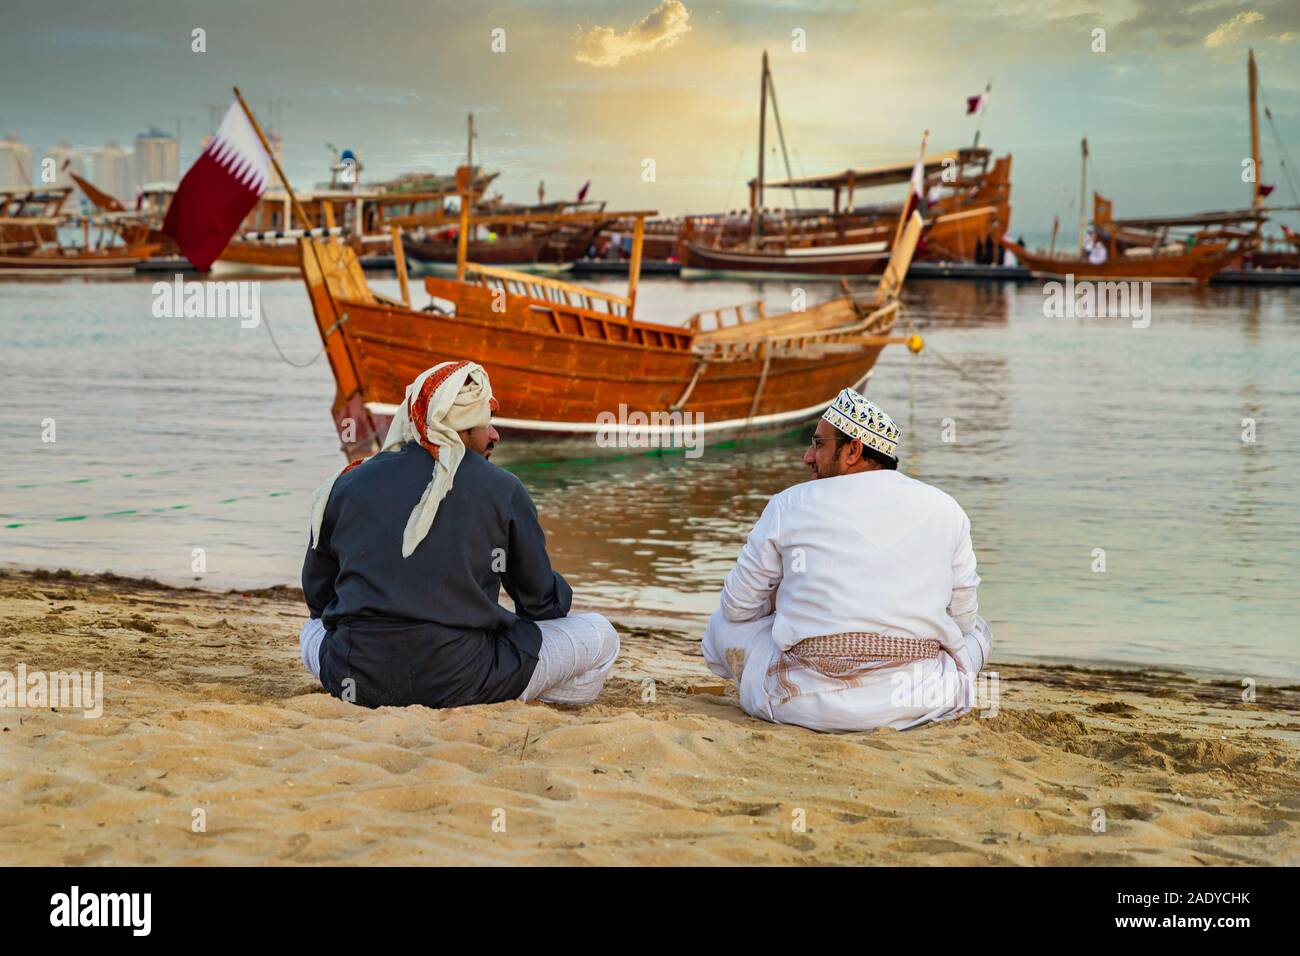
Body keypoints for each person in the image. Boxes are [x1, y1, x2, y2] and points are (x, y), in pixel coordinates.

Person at [299, 361, 619, 709]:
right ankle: (525, 693)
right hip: (462, 681)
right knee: (601, 635)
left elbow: (318, 601)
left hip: (357, 678)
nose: (494, 435)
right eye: (485, 423)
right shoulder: (504, 489)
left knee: (310, 630)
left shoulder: (346, 483)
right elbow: (541, 605)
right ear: (463, 429)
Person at [701, 388, 992, 732]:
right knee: (980, 631)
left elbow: (737, 609)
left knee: (721, 623)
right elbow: (961, 620)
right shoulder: (946, 508)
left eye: (819, 445)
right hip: (918, 700)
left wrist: (780, 603)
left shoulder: (788, 504)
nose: (808, 457)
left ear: (853, 450)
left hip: (800, 703)